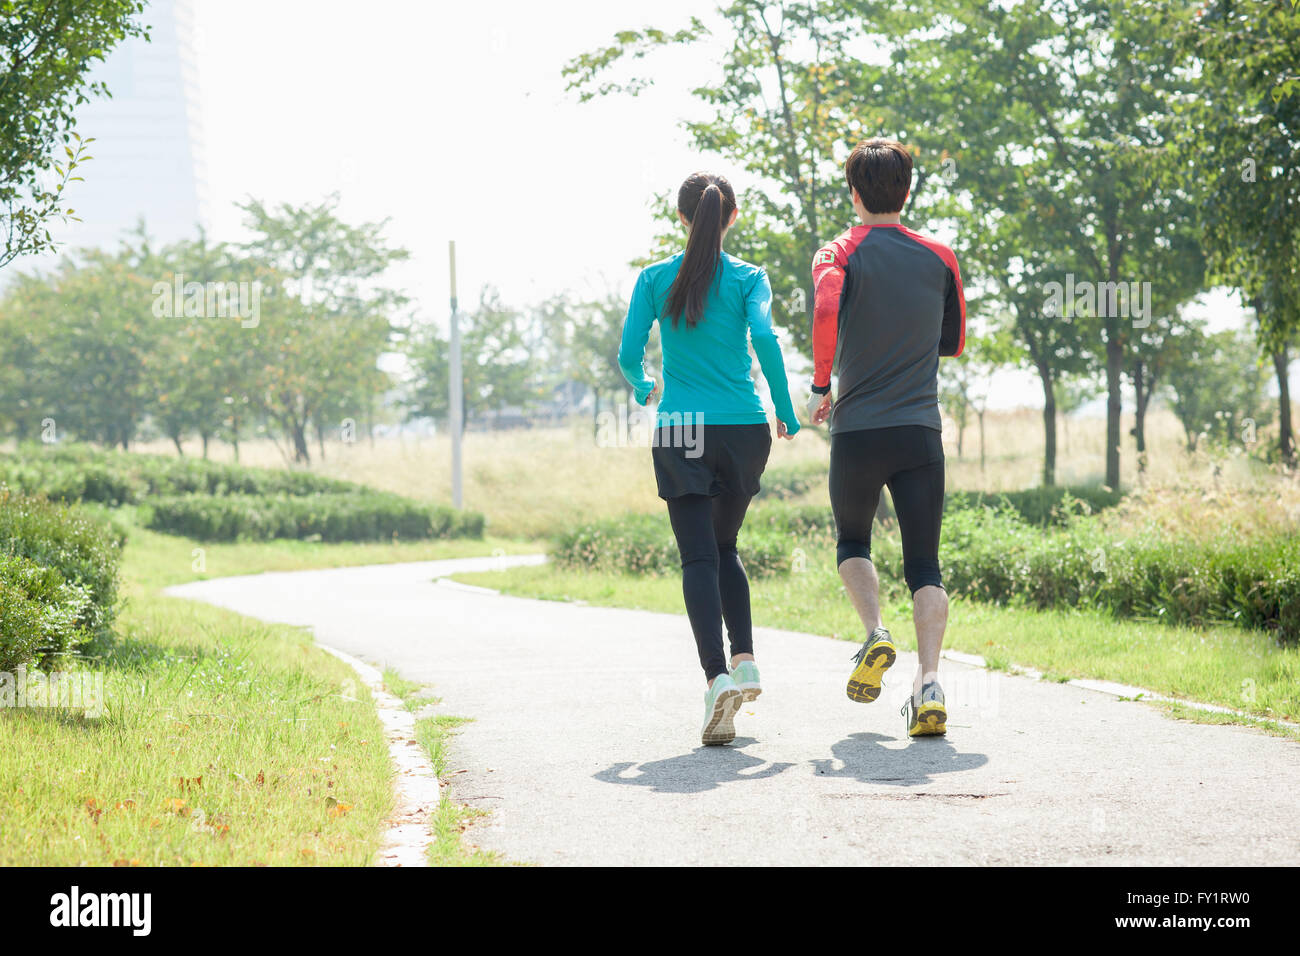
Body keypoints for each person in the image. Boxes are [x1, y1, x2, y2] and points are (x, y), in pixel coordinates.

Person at [619, 171, 801, 747]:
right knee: (727, 548)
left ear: (681, 218)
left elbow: (628, 354)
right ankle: (745, 660)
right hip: (745, 430)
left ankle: (716, 677)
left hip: (684, 429)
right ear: (732, 217)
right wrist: (786, 409)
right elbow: (766, 341)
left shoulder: (653, 278)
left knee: (699, 557)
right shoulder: (750, 278)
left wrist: (644, 385)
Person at [806, 139, 966, 737]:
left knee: (853, 542)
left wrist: (823, 384)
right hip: (919, 429)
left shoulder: (838, 251)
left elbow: (825, 308)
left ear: (853, 192)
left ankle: (875, 635)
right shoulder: (939, 255)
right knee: (926, 564)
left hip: (858, 431)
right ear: (908, 190)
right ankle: (929, 686)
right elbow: (954, 342)